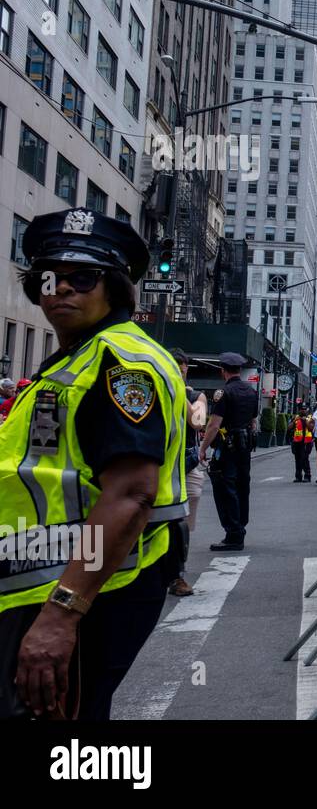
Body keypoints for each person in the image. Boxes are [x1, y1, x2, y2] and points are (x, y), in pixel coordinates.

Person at [0, 207, 187, 720]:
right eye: (48, 276)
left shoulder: (118, 363)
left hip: (85, 591)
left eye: (83, 277)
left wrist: (62, 615)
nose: (61, 288)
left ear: (117, 289)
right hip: (45, 581)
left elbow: (132, 494)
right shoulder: (73, 357)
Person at [199, 354, 258, 552]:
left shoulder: (223, 393)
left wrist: (203, 448)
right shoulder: (251, 391)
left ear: (223, 371)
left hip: (227, 446)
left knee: (225, 487)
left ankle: (233, 533)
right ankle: (239, 527)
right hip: (244, 447)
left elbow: (214, 425)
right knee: (242, 486)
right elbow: (253, 422)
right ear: (239, 370)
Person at [167, 349, 208, 598]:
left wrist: (179, 392)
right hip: (161, 466)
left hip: (187, 466)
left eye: (181, 369)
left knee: (182, 523)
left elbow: (198, 421)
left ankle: (177, 573)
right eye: (174, 367)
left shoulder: (195, 395)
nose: (178, 372)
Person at [289, 404, 314, 482]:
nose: (303, 410)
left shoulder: (310, 418)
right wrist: (295, 421)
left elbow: (311, 428)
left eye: (304, 409)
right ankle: (298, 476)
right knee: (297, 459)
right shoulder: (295, 417)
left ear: (307, 409)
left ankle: (307, 476)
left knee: (305, 458)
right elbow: (289, 428)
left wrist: (305, 420)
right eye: (301, 409)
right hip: (297, 441)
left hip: (307, 442)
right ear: (299, 410)